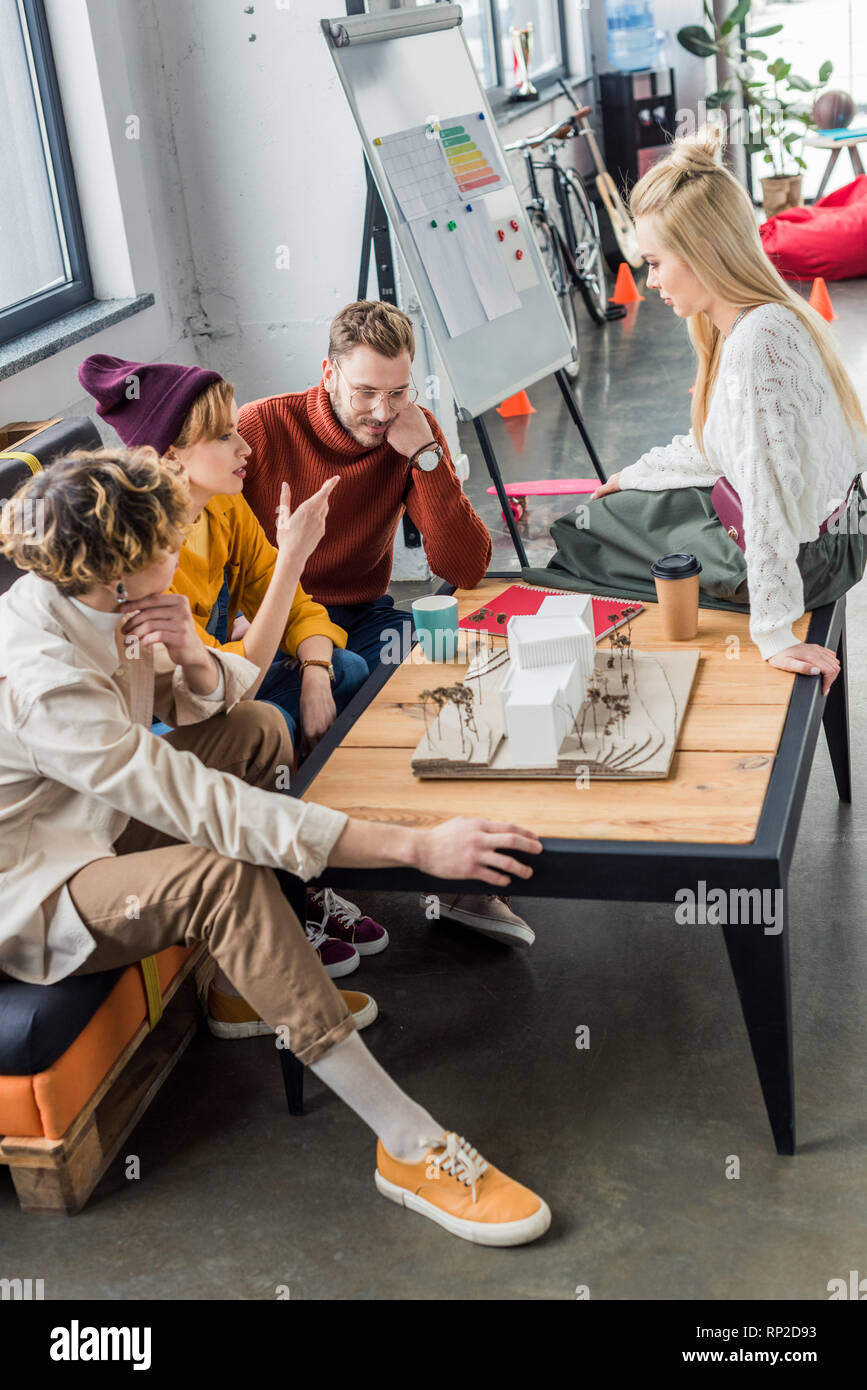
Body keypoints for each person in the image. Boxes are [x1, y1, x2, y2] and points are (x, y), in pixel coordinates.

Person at [0, 450, 550, 1247]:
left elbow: (216, 703)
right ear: (119, 573)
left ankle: (236, 990)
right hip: (31, 889)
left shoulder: (91, 600)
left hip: (85, 823)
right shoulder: (43, 678)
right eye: (169, 540)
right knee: (218, 874)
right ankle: (407, 1143)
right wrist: (415, 849)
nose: (182, 541)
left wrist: (189, 653)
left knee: (257, 730)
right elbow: (207, 808)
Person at [78, 355, 387, 998]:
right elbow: (222, 686)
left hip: (213, 690)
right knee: (266, 718)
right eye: (224, 436)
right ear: (168, 458)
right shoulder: (145, 561)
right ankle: (292, 890)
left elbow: (297, 611)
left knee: (347, 668)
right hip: (174, 724)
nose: (245, 444)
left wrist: (315, 669)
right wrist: (294, 557)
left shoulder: (223, 509)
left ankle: (305, 858)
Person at [522, 126, 867, 693]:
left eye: (656, 263)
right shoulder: (753, 320)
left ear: (705, 253)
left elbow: (767, 491)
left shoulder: (759, 343)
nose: (649, 280)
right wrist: (634, 479)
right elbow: (720, 446)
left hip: (812, 558)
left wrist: (776, 632)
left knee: (586, 535)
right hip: (828, 535)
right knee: (611, 511)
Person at [238, 299, 535, 948]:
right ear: (327, 374)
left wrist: (425, 457)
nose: (380, 411)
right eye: (365, 391)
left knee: (444, 682)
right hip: (277, 616)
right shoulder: (261, 428)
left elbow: (462, 565)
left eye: (397, 391)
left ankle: (460, 880)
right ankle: (306, 885)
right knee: (295, 720)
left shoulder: (409, 428)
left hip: (362, 612)